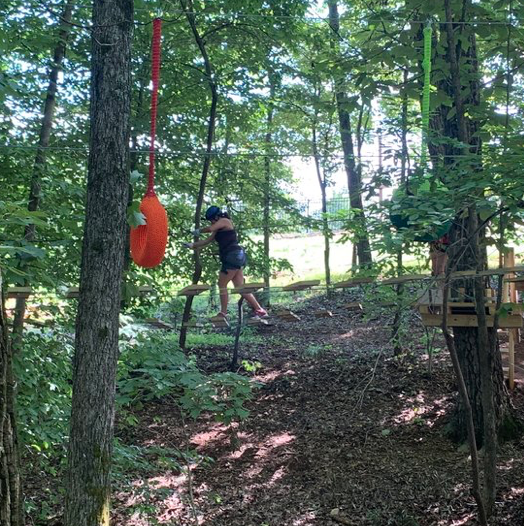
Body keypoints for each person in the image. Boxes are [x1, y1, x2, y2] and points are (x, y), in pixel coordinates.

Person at [183, 206, 268, 321]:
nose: (211, 222)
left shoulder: (225, 221)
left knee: (222, 285)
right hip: (236, 256)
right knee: (239, 287)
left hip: (232, 256)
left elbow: (210, 229)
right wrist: (192, 245)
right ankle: (260, 311)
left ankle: (223, 314)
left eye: (212, 219)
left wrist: (198, 231)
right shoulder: (218, 227)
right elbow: (207, 241)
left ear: (217, 216)